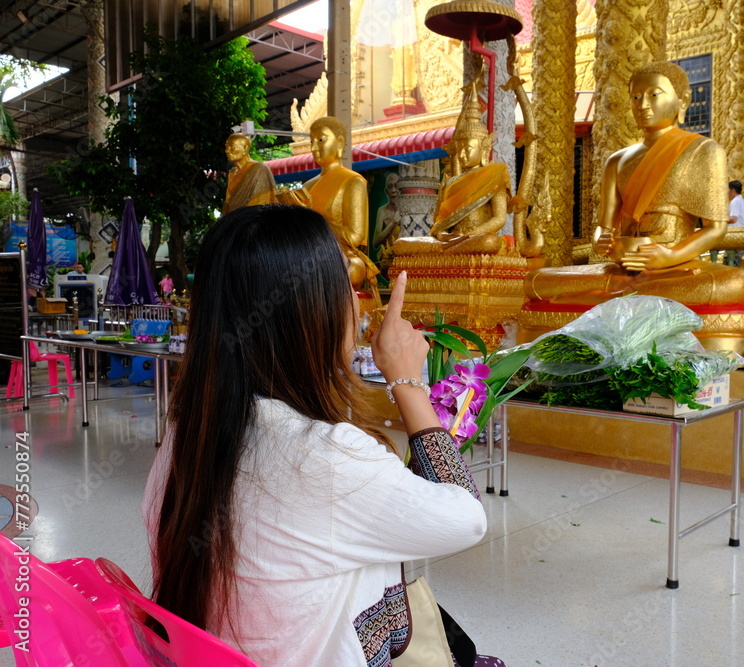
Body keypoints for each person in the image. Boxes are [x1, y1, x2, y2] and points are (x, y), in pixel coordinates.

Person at [141, 205, 493, 666]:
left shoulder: (187, 430)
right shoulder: (322, 456)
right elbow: (466, 518)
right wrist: (408, 383)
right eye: (347, 283)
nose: (359, 300)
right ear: (311, 311)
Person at [524, 61, 744, 306]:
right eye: (635, 97)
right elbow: (604, 227)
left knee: (736, 282)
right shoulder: (617, 161)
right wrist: (602, 240)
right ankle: (630, 291)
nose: (643, 105)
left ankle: (619, 295)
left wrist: (669, 256)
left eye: (654, 95)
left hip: (674, 266)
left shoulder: (703, 150)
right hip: (624, 267)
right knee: (537, 281)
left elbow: (715, 228)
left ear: (683, 100)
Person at [393, 80, 509, 256]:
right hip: (451, 242)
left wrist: (467, 236)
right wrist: (443, 235)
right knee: (402, 244)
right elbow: (439, 223)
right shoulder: (451, 182)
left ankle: (456, 248)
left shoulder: (494, 174)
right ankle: (451, 250)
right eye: (459, 150)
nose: (462, 155)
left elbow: (499, 219)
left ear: (484, 148)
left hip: (476, 239)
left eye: (468, 149)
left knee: (489, 241)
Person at [278, 117, 379, 289]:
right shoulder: (308, 185)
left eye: (320, 140)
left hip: (338, 254)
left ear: (339, 142)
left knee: (351, 268)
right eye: (311, 141)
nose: (313, 148)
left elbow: (355, 237)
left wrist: (312, 217)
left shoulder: (352, 181)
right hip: (306, 253)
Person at [221, 133, 277, 215]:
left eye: (232, 147)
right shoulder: (232, 173)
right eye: (226, 147)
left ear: (245, 148)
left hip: (251, 218)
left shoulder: (259, 169)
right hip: (233, 220)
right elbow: (228, 202)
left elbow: (263, 200)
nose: (227, 151)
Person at [728, 180, 744, 268]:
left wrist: (719, 220)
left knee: (730, 264)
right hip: (742, 237)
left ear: (732, 191)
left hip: (735, 237)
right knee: (735, 263)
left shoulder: (735, 202)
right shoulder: (742, 202)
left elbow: (733, 219)